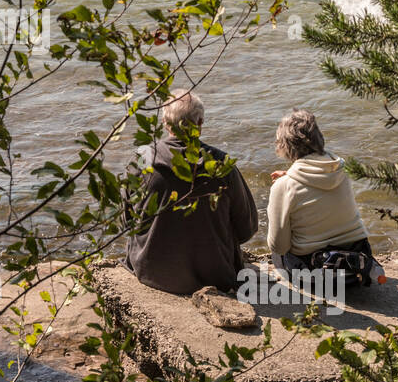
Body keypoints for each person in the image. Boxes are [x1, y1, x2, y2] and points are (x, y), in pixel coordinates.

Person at [123, 91, 258, 295]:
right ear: (201, 122)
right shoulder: (222, 165)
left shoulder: (141, 160)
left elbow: (126, 221)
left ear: (164, 122)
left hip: (152, 272)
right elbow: (247, 228)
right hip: (215, 275)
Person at [266, 108, 379, 283]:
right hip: (357, 262)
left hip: (316, 273)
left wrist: (283, 185)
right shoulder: (342, 168)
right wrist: (290, 176)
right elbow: (316, 182)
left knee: (277, 251)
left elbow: (279, 246)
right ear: (319, 137)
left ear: (284, 144)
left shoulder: (283, 187)